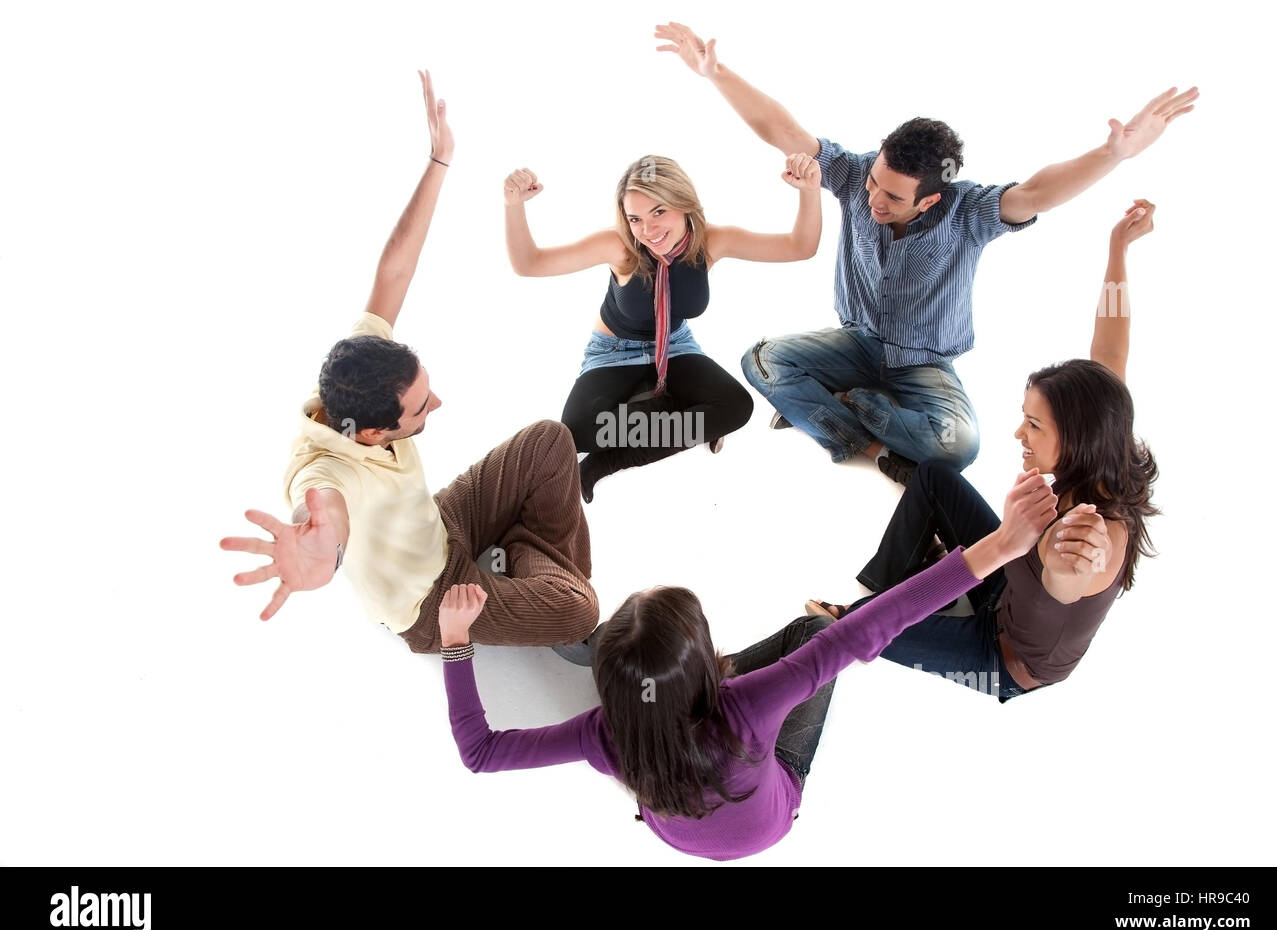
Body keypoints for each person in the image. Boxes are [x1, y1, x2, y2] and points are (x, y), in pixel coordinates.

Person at [655, 21, 1196, 484]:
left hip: (924, 366)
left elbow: (1037, 193)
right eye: (873, 183)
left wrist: (1112, 154)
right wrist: (714, 74)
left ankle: (844, 405)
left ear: (931, 198)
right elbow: (784, 131)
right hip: (857, 344)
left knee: (958, 446)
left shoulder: (969, 213)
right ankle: (869, 446)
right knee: (761, 360)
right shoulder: (856, 175)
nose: (873, 199)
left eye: (892, 196)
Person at [436, 467, 1055, 860]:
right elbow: (869, 626)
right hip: (772, 818)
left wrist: (456, 641)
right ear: (708, 668)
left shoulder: (602, 733)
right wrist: (1001, 545)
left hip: (674, 833)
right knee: (820, 627)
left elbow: (479, 752)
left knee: (651, 656)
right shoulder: (749, 704)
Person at [219, 73, 598, 653]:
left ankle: (527, 559)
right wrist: (323, 545)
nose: (437, 404)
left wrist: (439, 161)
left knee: (550, 440)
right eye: (422, 407)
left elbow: (394, 266)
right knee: (579, 612)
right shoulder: (326, 472)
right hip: (429, 602)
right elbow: (325, 505)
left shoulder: (356, 373)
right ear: (373, 433)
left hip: (441, 525)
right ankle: (539, 574)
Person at [805, 202, 1161, 699]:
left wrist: (1075, 560)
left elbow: (1068, 574)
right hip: (1008, 578)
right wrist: (1118, 248)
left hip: (1001, 654)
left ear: (1076, 437)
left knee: (846, 633)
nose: (1019, 434)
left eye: (1034, 425)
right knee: (932, 476)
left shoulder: (1085, 539)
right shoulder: (1108, 433)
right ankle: (888, 584)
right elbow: (1112, 349)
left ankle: (879, 607)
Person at [503, 151, 821, 502]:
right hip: (613, 353)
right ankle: (685, 416)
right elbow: (529, 264)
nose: (648, 231)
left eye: (659, 212)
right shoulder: (619, 246)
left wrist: (809, 191)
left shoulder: (711, 242)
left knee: (736, 407)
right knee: (577, 432)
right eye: (636, 218)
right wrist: (514, 204)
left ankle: (605, 463)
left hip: (674, 345)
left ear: (683, 203)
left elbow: (800, 247)